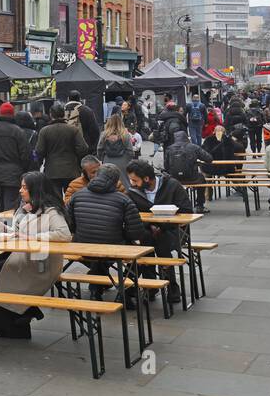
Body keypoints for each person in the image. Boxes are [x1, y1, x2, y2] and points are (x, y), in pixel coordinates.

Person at [0, 171, 71, 338]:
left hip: (42, 263)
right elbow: (20, 233)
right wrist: (4, 228)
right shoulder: (25, 207)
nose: (20, 191)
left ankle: (18, 319)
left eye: (24, 187)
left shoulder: (51, 211)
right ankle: (14, 319)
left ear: (35, 190)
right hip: (24, 257)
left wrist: (33, 237)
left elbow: (64, 235)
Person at [65, 164, 146, 301]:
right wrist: (123, 235)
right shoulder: (123, 200)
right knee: (141, 257)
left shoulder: (77, 196)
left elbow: (69, 224)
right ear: (116, 181)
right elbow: (136, 232)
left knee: (98, 256)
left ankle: (95, 289)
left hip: (82, 246)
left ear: (96, 176)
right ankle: (125, 291)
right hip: (113, 247)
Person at [125, 158, 193, 304]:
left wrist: (162, 225)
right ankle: (152, 286)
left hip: (174, 231)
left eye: (135, 180)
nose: (132, 183)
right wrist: (150, 226)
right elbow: (131, 215)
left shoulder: (172, 185)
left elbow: (187, 211)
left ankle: (170, 286)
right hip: (148, 231)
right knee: (146, 242)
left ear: (147, 178)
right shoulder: (133, 192)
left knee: (160, 240)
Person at [0, 102, 32, 212]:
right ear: (12, 114)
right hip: (13, 173)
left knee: (0, 201)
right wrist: (22, 170)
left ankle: (1, 226)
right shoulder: (18, 131)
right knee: (11, 203)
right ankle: (8, 227)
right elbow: (25, 155)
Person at [35, 104, 88, 205]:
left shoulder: (45, 131)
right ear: (63, 114)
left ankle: (58, 218)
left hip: (52, 170)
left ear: (51, 115)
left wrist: (38, 165)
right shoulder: (73, 130)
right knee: (71, 199)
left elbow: (39, 151)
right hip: (72, 170)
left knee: (54, 200)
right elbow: (83, 148)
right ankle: (70, 218)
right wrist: (78, 160)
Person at [164, 129, 214, 212]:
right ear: (186, 137)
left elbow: (166, 166)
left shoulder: (169, 149)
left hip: (175, 178)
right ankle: (199, 205)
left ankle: (178, 204)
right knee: (202, 180)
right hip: (192, 177)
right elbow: (209, 158)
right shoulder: (193, 147)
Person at [96, 112, 139, 184]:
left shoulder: (104, 134)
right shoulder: (125, 135)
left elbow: (99, 149)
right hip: (123, 160)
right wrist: (128, 160)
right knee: (124, 181)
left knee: (108, 180)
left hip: (108, 160)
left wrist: (102, 158)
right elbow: (130, 151)